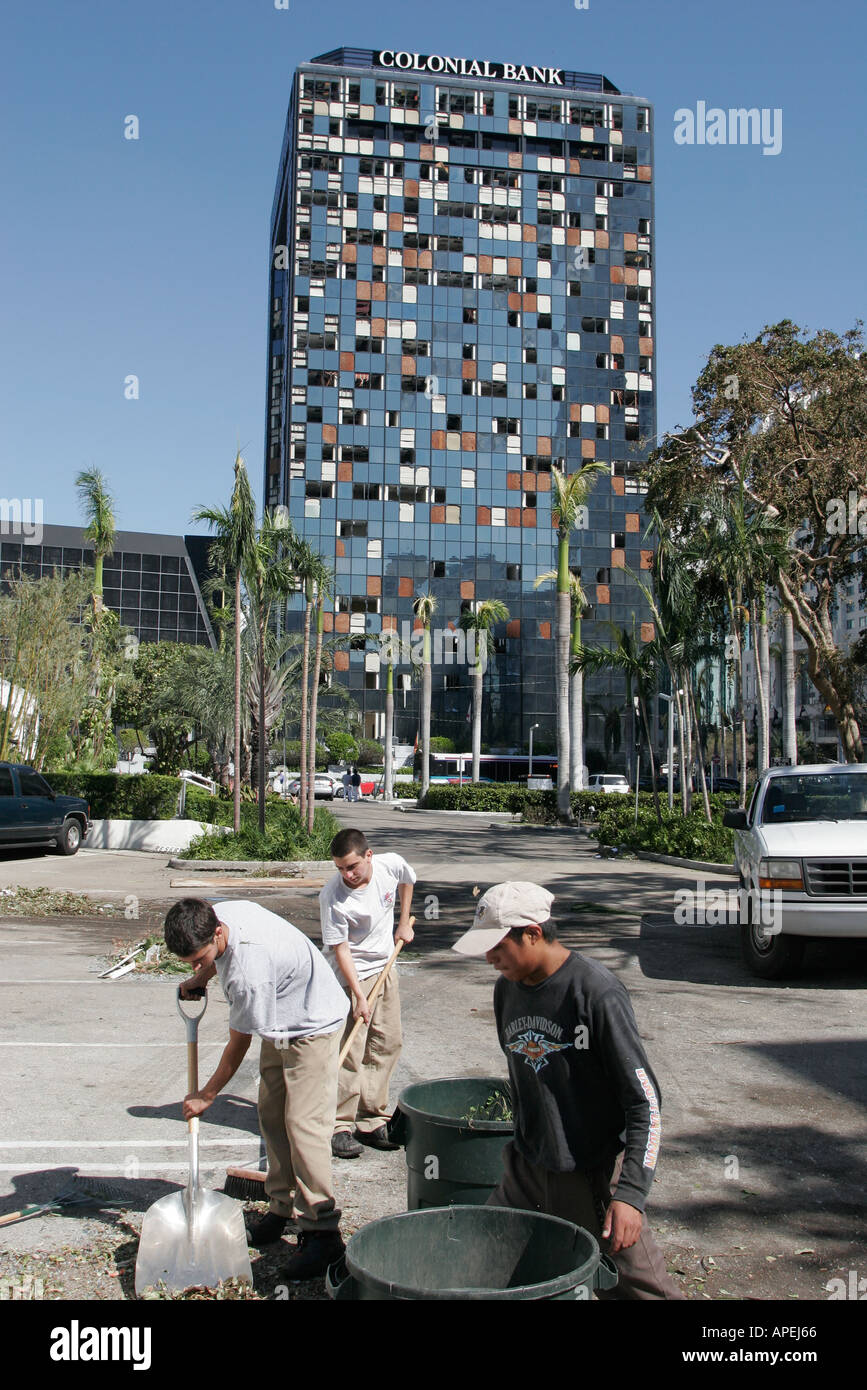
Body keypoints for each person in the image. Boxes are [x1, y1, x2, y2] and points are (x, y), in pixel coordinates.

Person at [452, 881, 684, 1301]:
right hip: (527, 1169)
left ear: (533, 934)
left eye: (497, 947)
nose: (489, 958)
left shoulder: (595, 992)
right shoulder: (507, 989)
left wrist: (630, 1195)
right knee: (484, 1257)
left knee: (636, 1290)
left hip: (590, 1174)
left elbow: (644, 1102)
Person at [163, 897, 349, 1281]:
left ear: (217, 932)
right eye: (190, 963)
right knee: (271, 1115)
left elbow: (238, 1045)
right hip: (280, 1015)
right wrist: (200, 978)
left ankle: (323, 1232)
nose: (198, 966)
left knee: (304, 1125)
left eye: (200, 959)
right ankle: (281, 1208)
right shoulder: (219, 913)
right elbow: (216, 961)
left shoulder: (248, 972)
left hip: (313, 1021)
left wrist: (207, 1094)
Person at [319, 828, 416, 1158]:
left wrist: (404, 922)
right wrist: (358, 996)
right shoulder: (333, 896)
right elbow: (341, 950)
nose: (347, 875)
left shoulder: (390, 865)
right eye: (340, 868)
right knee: (351, 1048)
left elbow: (408, 879)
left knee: (388, 1040)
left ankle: (371, 1117)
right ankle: (339, 1124)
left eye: (352, 867)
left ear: (369, 856)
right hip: (350, 976)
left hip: (385, 966)